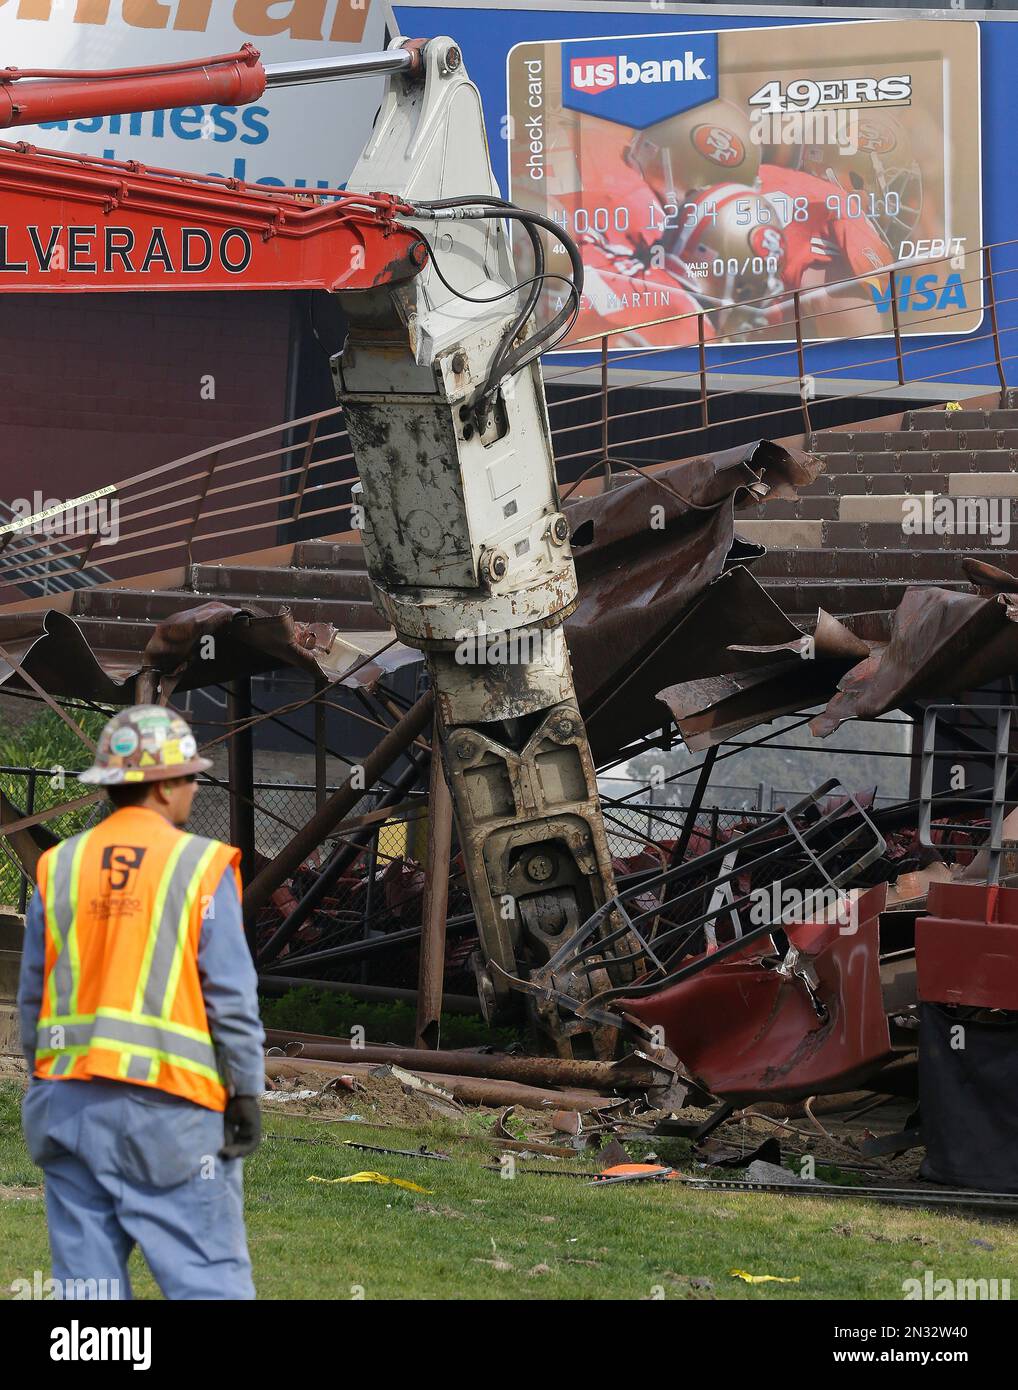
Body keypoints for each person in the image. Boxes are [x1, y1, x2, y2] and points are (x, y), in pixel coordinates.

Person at [17, 705, 265, 1300]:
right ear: (164, 785)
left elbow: (34, 1001)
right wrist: (246, 1092)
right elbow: (230, 998)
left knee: (87, 1295)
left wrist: (47, 1082)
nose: (196, 787)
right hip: (172, 1116)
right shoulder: (200, 867)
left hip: (70, 1111)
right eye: (191, 776)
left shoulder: (59, 868)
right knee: (208, 1282)